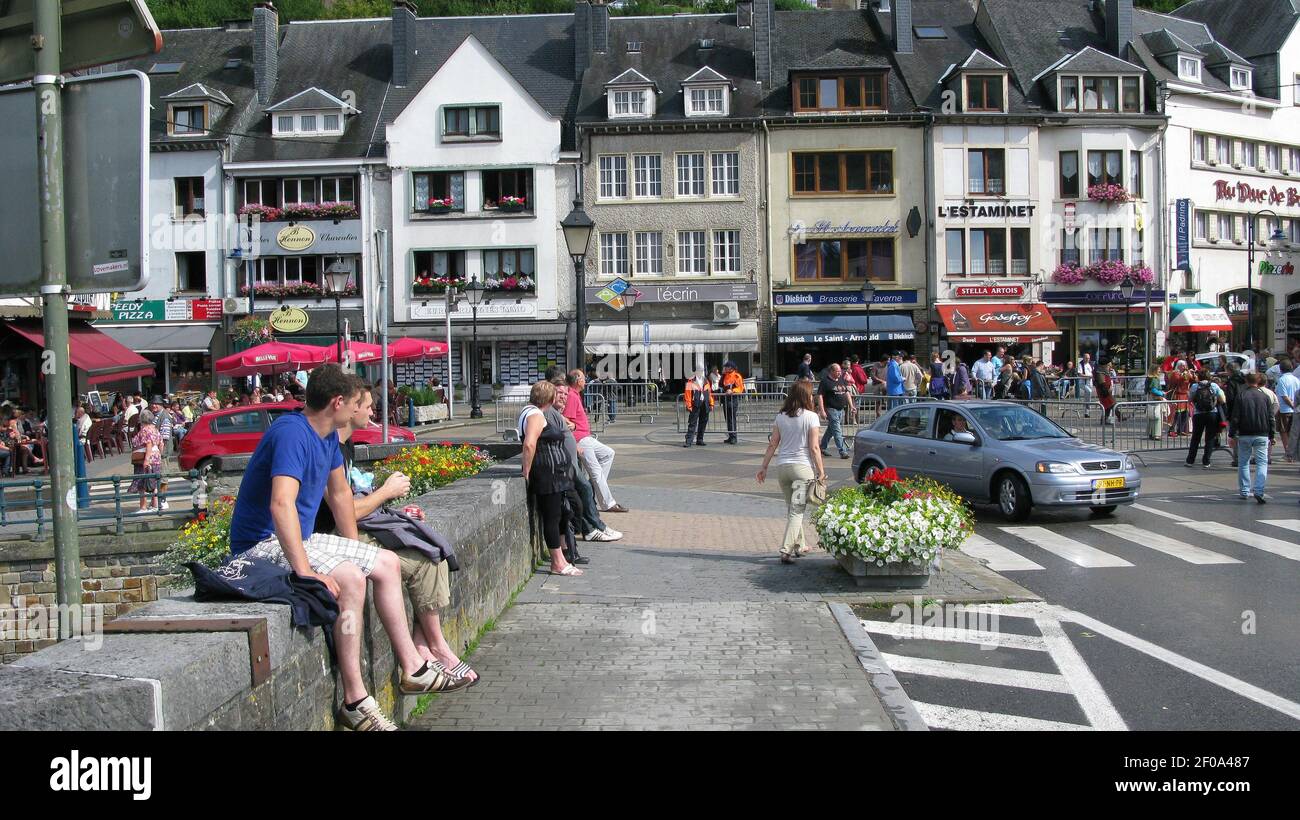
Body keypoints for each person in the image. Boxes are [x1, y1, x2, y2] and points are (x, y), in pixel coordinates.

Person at [230, 364, 455, 731]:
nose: (358, 409)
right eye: (354, 403)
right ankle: (355, 699)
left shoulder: (329, 438)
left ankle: (413, 667)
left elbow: (339, 497)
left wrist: (355, 550)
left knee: (385, 564)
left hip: (298, 539)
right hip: (260, 545)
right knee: (351, 578)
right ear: (337, 402)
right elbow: (281, 505)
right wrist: (305, 571)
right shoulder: (291, 433)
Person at [317, 387, 478, 687]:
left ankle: (427, 645)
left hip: (354, 528)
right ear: (349, 409)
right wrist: (386, 492)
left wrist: (395, 511)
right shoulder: (329, 449)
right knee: (418, 560)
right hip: (330, 539)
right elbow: (344, 512)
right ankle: (432, 652)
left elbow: (354, 504)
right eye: (367, 405)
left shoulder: (345, 445)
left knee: (433, 554)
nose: (372, 411)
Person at [756, 381, 827, 565]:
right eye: (811, 394)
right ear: (806, 396)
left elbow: (773, 443)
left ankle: (800, 545)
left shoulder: (781, 416)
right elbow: (814, 448)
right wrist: (821, 472)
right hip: (802, 469)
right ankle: (785, 550)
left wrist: (763, 467)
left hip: (783, 468)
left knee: (793, 509)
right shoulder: (811, 417)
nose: (812, 397)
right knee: (797, 511)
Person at [519, 380, 583, 577]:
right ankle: (557, 563)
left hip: (554, 473)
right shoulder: (535, 415)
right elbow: (529, 444)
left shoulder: (531, 412)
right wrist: (526, 471)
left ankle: (562, 558)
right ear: (551, 397)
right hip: (547, 474)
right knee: (552, 518)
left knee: (560, 515)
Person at [549, 373, 621, 543]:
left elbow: (566, 423)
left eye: (565, 393)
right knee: (585, 487)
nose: (564, 397)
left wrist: (572, 428)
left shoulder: (567, 400)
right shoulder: (558, 406)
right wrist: (575, 438)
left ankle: (595, 524)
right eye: (560, 393)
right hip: (577, 445)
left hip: (579, 444)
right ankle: (596, 524)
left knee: (605, 459)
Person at [563, 369, 628, 513]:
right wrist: (573, 441)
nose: (585, 380)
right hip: (580, 439)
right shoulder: (572, 396)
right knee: (596, 471)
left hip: (585, 437)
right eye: (583, 378)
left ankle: (592, 490)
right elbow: (566, 420)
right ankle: (608, 503)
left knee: (608, 453)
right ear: (578, 381)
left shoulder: (575, 394)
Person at [1230, 372, 1274, 503]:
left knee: (1244, 462)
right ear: (1258, 381)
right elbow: (1271, 417)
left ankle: (1244, 490)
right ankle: (1259, 490)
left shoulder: (1242, 395)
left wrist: (1232, 434)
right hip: (1262, 433)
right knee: (1262, 463)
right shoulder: (1265, 396)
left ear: (1246, 381)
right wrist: (1272, 434)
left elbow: (1235, 417)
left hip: (1245, 433)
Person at [1185, 371, 1225, 468]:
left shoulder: (1195, 386)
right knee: (1210, 438)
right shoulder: (1214, 386)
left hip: (1198, 414)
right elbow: (1223, 399)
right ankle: (1206, 461)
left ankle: (1190, 460)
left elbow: (1190, 399)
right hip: (1212, 413)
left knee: (1195, 437)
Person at [128, 419, 163, 514]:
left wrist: (146, 460)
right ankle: (156, 505)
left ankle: (143, 507)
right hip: (156, 459)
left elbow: (148, 445)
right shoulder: (155, 430)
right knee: (154, 482)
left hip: (144, 459)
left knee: (141, 483)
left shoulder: (144, 430)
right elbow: (161, 444)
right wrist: (159, 455)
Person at [817, 362, 851, 459]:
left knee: (831, 429)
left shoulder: (841, 379)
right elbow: (819, 396)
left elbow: (846, 392)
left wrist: (851, 405)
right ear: (831, 371)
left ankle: (822, 447)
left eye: (840, 371)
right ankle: (842, 451)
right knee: (837, 430)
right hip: (831, 408)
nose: (840, 373)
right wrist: (822, 410)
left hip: (840, 409)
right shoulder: (825, 381)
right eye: (837, 371)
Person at [1275, 362, 1299, 463]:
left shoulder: (1282, 380)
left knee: (1284, 432)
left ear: (1280, 369)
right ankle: (1292, 454)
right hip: (1295, 410)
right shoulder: (1296, 379)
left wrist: (1292, 406)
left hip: (1285, 409)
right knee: (1293, 434)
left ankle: (1288, 455)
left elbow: (1284, 396)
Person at [684, 368, 713, 447]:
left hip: (705, 404)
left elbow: (709, 394)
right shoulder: (690, 382)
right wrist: (689, 405)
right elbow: (688, 395)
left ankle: (700, 439)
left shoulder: (706, 381)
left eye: (701, 371)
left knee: (703, 423)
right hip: (695, 404)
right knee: (692, 423)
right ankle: (688, 441)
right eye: (698, 371)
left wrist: (711, 404)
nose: (700, 373)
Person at [719, 361, 744, 445]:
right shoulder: (724, 376)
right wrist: (722, 375)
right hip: (725, 400)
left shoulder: (737, 376)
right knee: (727, 419)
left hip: (733, 399)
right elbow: (720, 385)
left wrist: (732, 390)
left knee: (732, 419)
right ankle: (730, 436)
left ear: (731, 368)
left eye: (727, 367)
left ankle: (734, 437)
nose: (725, 368)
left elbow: (740, 389)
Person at [1167, 360, 1192, 436]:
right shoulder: (1175, 373)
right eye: (1183, 366)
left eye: (1185, 365)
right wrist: (1184, 375)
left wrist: (1192, 375)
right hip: (1178, 395)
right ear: (1179, 366)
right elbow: (1177, 381)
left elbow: (1193, 380)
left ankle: (1181, 430)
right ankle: (1171, 430)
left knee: (1186, 413)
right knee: (1176, 414)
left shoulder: (1186, 373)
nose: (1185, 367)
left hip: (1185, 395)